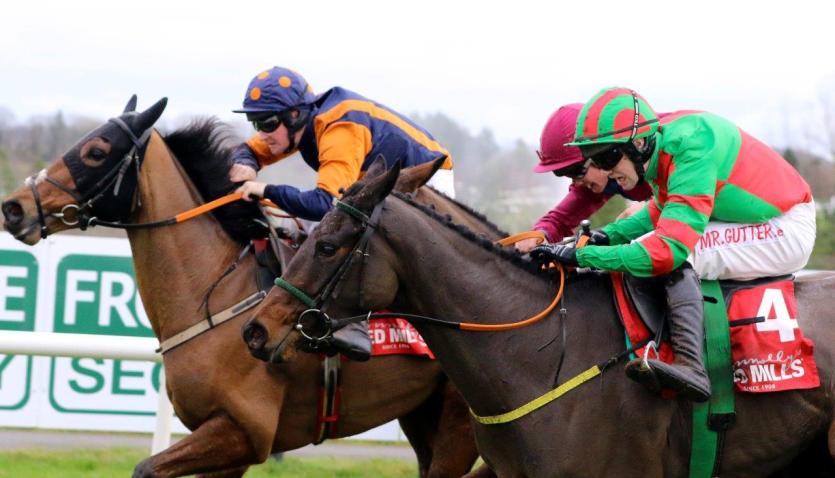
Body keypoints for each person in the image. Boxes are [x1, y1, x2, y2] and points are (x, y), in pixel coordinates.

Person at [531, 87, 815, 402]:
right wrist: (607, 235)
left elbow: (668, 251)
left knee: (681, 253)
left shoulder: (689, 145)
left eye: (608, 157)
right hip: (751, 220)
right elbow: (661, 209)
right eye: (594, 161)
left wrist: (583, 256)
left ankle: (691, 367)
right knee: (645, 246)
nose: (604, 171)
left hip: (784, 226)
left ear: (638, 143)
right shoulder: (661, 147)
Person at [230, 66, 456, 361]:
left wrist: (266, 190)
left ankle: (356, 326)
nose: (262, 132)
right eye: (254, 121)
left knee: (334, 237)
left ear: (294, 115)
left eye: (267, 122)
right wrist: (245, 162)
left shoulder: (338, 128)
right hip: (375, 184)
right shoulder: (298, 124)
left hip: (422, 182)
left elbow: (325, 203)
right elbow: (251, 149)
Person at [515, 103, 652, 253]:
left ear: (597, 154)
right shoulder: (597, 181)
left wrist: (654, 207)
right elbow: (559, 221)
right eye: (564, 173)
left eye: (576, 171)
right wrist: (540, 234)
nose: (576, 182)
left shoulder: (666, 144)